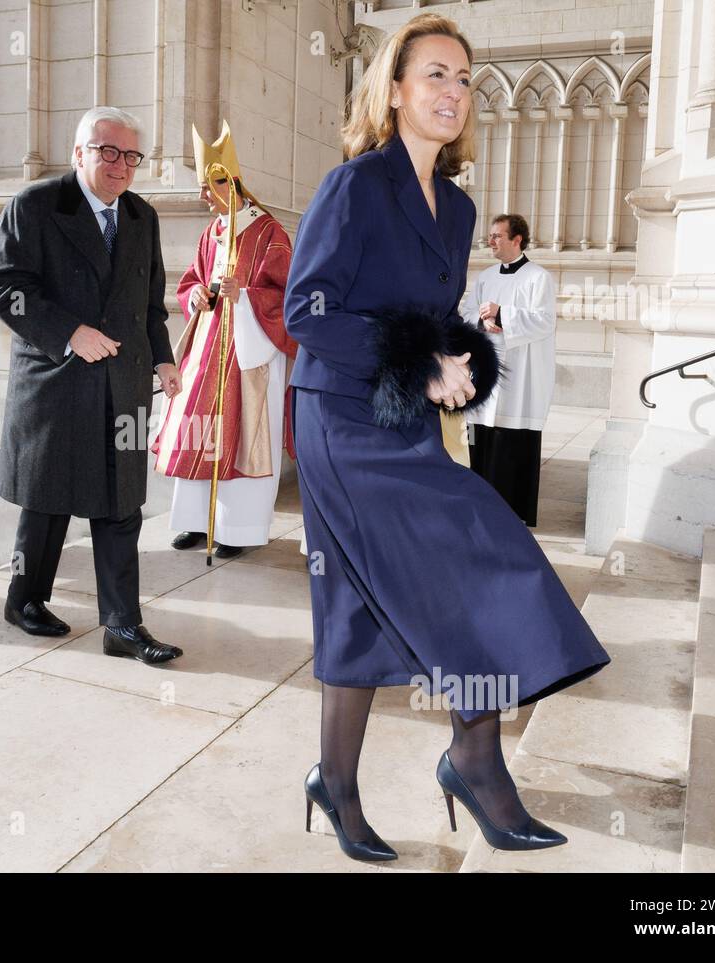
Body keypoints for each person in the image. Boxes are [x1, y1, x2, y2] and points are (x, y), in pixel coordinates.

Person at [284, 13, 611, 862]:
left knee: (357, 608)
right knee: (476, 548)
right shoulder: (354, 185)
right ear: (392, 90)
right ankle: (474, 757)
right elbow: (306, 312)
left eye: (464, 79)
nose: (452, 93)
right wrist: (419, 360)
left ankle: (339, 781)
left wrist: (461, 360)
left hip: (405, 420)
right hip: (342, 421)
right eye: (434, 74)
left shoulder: (459, 206)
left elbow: (434, 323)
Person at [0, 105, 184, 665]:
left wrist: (162, 362)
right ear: (79, 154)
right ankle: (24, 600)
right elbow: (5, 289)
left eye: (130, 155)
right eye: (107, 151)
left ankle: (122, 624)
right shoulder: (37, 205)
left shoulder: (143, 217)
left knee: (121, 505)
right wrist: (69, 332)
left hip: (123, 387)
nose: (120, 164)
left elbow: (149, 305)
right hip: (56, 380)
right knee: (47, 501)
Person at [152, 122, 296, 559]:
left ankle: (239, 528)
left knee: (244, 432)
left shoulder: (268, 232)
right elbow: (193, 279)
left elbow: (288, 293)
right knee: (197, 427)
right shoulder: (211, 232)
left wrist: (248, 295)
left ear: (227, 183)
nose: (201, 197)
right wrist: (195, 292)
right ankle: (195, 522)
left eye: (206, 188)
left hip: (249, 350)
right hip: (206, 345)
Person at [462, 214, 556, 526]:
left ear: (517, 239)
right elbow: (465, 312)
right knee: (480, 440)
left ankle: (513, 515)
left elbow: (544, 321)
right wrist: (481, 319)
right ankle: (482, 510)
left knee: (511, 444)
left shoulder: (538, 277)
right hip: (487, 370)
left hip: (520, 378)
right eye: (490, 235)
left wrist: (504, 315)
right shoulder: (486, 276)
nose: (490, 241)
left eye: (498, 236)